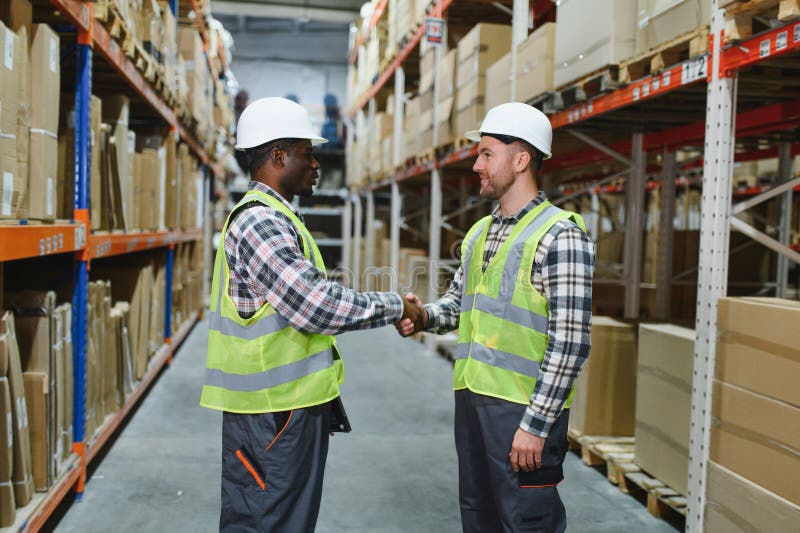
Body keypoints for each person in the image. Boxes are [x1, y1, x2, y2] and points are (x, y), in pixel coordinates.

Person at [201, 97, 424, 532]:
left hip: (283, 410)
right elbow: (317, 306)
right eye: (308, 152)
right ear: (279, 156)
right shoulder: (260, 223)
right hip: (272, 417)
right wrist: (396, 304)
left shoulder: (280, 218)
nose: (316, 163)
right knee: (268, 523)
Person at [397, 102, 595, 532]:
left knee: (523, 523)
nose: (476, 165)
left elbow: (571, 343)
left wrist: (536, 426)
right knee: (480, 517)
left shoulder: (561, 235)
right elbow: (460, 305)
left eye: (487, 154)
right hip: (472, 402)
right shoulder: (480, 232)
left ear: (521, 159)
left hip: (521, 413)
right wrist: (423, 316)